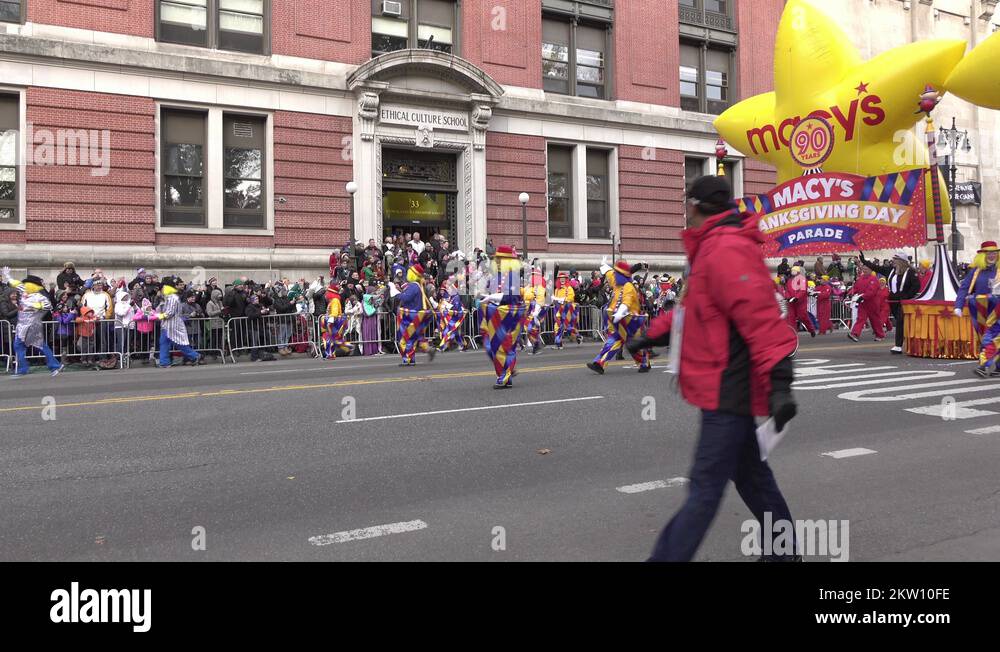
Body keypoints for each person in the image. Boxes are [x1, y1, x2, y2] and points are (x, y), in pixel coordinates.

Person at [625, 175, 798, 561]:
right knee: (752, 477)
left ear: (699, 206)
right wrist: (651, 335)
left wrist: (782, 383)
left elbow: (761, 318)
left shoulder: (726, 250)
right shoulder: (711, 249)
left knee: (704, 488)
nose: (684, 211)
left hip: (728, 388)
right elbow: (692, 313)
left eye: (687, 204)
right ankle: (785, 552)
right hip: (724, 385)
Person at [587, 258, 651, 374]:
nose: (614, 275)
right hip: (618, 321)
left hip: (630, 321)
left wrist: (620, 312)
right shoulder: (616, 282)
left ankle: (644, 362)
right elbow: (609, 273)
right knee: (612, 341)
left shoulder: (628, 286)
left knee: (632, 344)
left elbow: (627, 301)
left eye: (617, 273)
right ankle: (599, 363)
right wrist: (603, 264)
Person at [480, 245, 528, 389]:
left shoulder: (513, 276)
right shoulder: (495, 277)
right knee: (491, 346)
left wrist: (492, 297)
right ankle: (506, 372)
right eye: (497, 258)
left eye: (501, 259)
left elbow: (511, 297)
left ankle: (504, 376)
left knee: (507, 346)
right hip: (495, 315)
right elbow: (489, 292)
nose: (498, 261)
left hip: (510, 315)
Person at [1, 269, 65, 377]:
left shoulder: (40, 297)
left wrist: (36, 306)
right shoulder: (23, 292)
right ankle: (22, 369)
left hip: (33, 326)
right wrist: (8, 276)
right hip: (21, 326)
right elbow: (16, 284)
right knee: (18, 346)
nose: (24, 285)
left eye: (27, 284)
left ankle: (55, 366)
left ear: (33, 286)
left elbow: (48, 306)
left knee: (40, 346)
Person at [860, 250, 920, 354]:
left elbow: (916, 286)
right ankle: (908, 342)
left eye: (895, 259)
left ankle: (898, 345)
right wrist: (864, 261)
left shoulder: (911, 272)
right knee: (902, 322)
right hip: (893, 301)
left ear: (902, 261)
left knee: (901, 321)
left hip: (905, 301)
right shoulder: (891, 270)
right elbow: (877, 268)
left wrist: (906, 296)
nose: (893, 261)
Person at [393, 263, 436, 367]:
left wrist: (397, 294)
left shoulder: (413, 286)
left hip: (410, 315)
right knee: (415, 337)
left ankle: (407, 359)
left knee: (405, 338)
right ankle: (421, 352)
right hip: (417, 315)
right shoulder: (418, 286)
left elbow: (406, 298)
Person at [155, 276, 203, 368]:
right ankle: (164, 362)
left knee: (178, 343)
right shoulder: (168, 298)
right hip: (167, 325)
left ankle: (195, 356)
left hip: (173, 325)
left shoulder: (173, 298)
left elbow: (170, 313)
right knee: (164, 342)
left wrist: (157, 316)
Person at [847, 265, 886, 342]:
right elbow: (856, 288)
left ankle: (880, 335)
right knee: (860, 318)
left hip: (872, 303)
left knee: (875, 320)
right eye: (863, 269)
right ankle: (855, 334)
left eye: (866, 269)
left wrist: (863, 297)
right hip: (863, 302)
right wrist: (850, 293)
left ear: (871, 270)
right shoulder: (860, 279)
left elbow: (872, 292)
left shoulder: (874, 279)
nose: (864, 270)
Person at [552, 271, 580, 349]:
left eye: (564, 278)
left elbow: (570, 299)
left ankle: (578, 336)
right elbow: (555, 299)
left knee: (569, 327)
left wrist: (561, 300)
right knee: (557, 326)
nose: (562, 280)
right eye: (560, 278)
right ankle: (558, 344)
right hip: (559, 310)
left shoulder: (569, 288)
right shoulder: (557, 289)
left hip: (568, 310)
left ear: (566, 279)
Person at [784, 266, 815, 337]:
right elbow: (787, 290)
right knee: (791, 318)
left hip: (800, 302)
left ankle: (811, 329)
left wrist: (797, 297)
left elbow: (803, 290)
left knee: (803, 316)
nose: (792, 272)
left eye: (793, 270)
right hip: (792, 302)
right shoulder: (790, 280)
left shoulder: (802, 279)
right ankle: (793, 333)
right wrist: (788, 297)